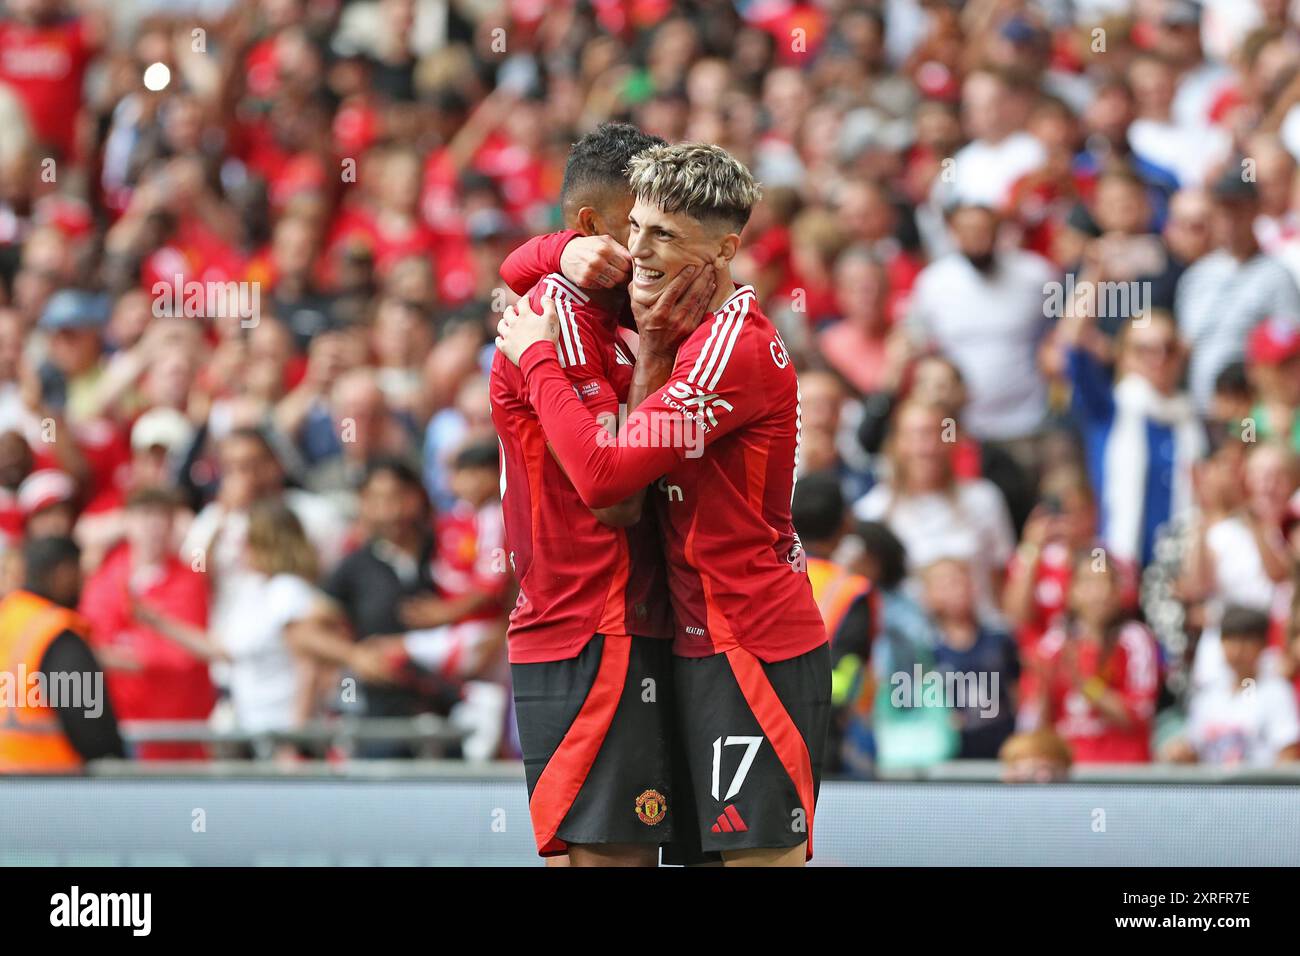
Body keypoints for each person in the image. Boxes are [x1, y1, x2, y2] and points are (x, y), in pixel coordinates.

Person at [497, 142, 829, 867]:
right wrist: (563, 249)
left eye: (663, 235)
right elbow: (518, 266)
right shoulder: (668, 323)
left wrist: (537, 359)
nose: (637, 252)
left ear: (723, 250)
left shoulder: (722, 351)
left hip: (749, 639)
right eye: (634, 228)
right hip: (692, 638)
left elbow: (607, 482)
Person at [492, 124, 714, 867]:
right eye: (638, 228)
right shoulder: (559, 319)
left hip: (620, 620)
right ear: (594, 229)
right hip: (596, 620)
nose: (653, 248)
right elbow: (611, 498)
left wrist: (548, 248)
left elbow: (512, 264)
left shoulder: (609, 302)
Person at [78, 487, 214, 760]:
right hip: (119, 725)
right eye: (144, 515)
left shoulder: (189, 580)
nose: (153, 525)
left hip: (175, 731)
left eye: (162, 516)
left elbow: (181, 656)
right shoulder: (104, 577)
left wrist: (112, 655)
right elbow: (90, 640)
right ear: (126, 521)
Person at [854, 399, 1016, 622]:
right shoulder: (872, 512)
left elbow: (1001, 581)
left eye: (937, 434)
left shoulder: (984, 499)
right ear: (896, 443)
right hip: (912, 646)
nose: (927, 448)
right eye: (915, 436)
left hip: (982, 640)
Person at [0, 535, 124, 772]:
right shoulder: (55, 635)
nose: (82, 584)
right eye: (79, 574)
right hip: (50, 788)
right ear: (64, 573)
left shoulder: (6, 619)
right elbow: (94, 734)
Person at [1031, 552, 1160, 764]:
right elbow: (1038, 723)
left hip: (1123, 775)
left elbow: (1136, 716)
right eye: (1088, 582)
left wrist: (1086, 685)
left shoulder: (1134, 639)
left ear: (1119, 591)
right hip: (1069, 776)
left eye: (1105, 582)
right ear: (1071, 591)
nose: (1098, 593)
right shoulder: (1053, 645)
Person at [1164, 605, 1300, 767]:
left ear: (1263, 645)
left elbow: (1288, 757)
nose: (1237, 651)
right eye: (1230, 640)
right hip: (1214, 791)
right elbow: (1197, 753)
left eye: (1246, 642)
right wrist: (1181, 754)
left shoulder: (1277, 692)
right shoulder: (1208, 695)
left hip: (1259, 790)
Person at [918, 558, 1019, 759]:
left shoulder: (999, 639)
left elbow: (1017, 690)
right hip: (950, 753)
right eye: (945, 584)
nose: (956, 589)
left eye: (961, 580)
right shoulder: (925, 648)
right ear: (928, 595)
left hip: (1000, 745)